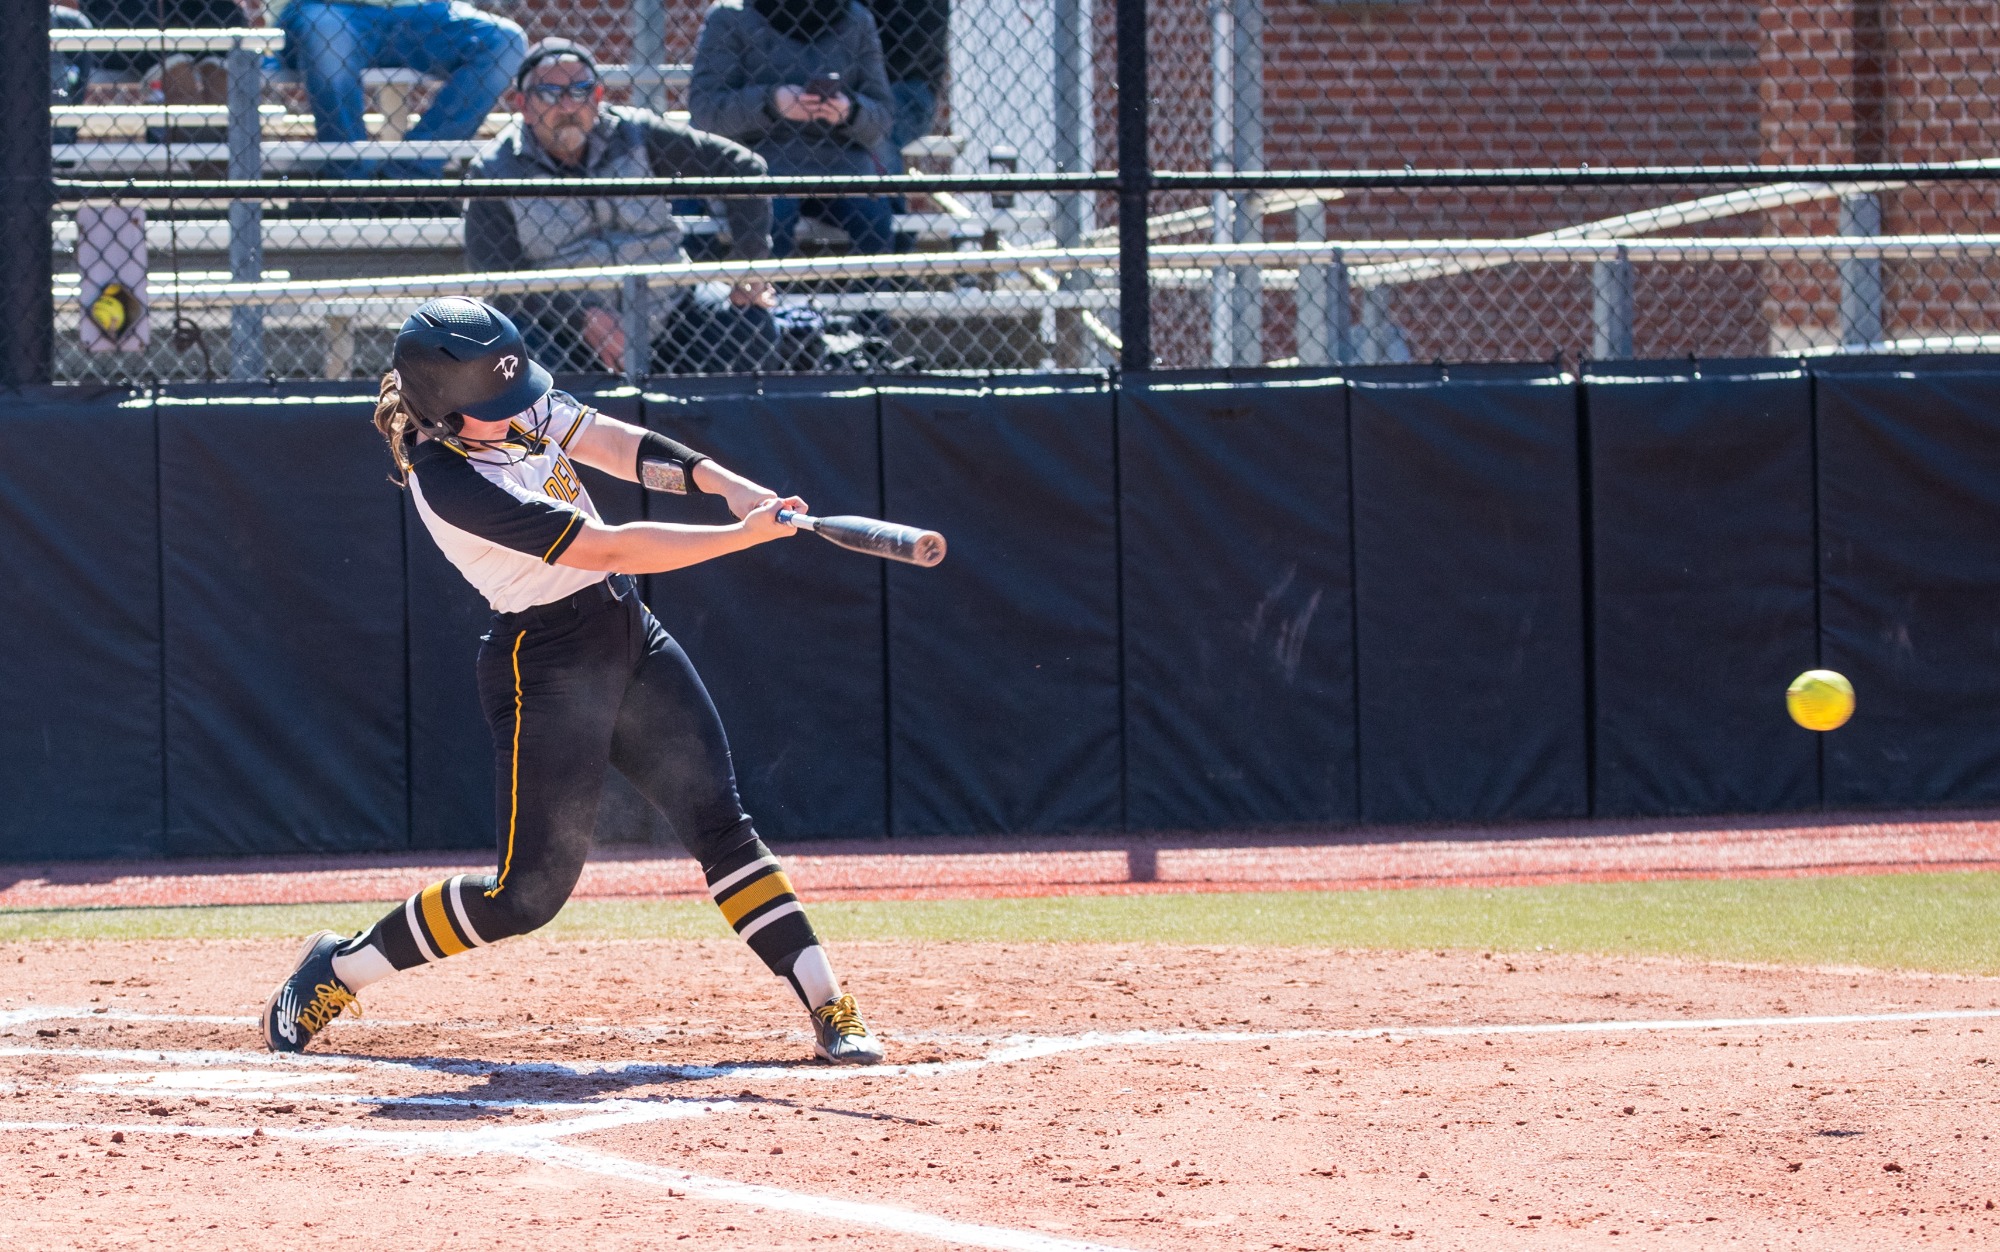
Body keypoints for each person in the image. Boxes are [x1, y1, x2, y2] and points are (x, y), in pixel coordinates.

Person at [261, 296, 886, 1067]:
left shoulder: (507, 411)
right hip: (544, 666)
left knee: (720, 822)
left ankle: (830, 1004)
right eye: (499, 405)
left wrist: (725, 484)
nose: (524, 415)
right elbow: (608, 545)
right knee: (524, 897)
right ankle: (341, 966)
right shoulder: (451, 484)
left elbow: (612, 442)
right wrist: (738, 535)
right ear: (447, 411)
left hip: (625, 632)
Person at [464, 38, 779, 376]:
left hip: (672, 307)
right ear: (523, 105)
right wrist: (580, 318)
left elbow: (743, 165)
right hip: (565, 329)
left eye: (581, 90)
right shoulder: (494, 169)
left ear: (598, 98)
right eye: (550, 93)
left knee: (751, 327)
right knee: (519, 353)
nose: (568, 106)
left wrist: (749, 264)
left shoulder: (637, 133)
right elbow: (500, 278)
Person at [689, 0, 898, 259]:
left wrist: (849, 111)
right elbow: (705, 110)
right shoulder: (729, 15)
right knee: (770, 216)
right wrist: (772, 103)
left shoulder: (856, 18)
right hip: (760, 161)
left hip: (840, 163)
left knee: (875, 221)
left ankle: (873, 294)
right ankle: (762, 297)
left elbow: (884, 115)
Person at [265, 0, 525, 176]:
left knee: (506, 41)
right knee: (327, 33)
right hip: (327, 9)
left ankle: (410, 175)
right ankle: (348, 183)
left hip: (422, 12)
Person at [80, 0, 246, 105]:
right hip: (129, 15)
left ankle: (227, 148)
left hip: (185, 13)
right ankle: (206, 149)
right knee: (179, 78)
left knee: (224, 14)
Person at [862, 0, 947, 176]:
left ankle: (884, 202)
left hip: (908, 87)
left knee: (872, 128)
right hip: (855, 85)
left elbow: (906, 51)